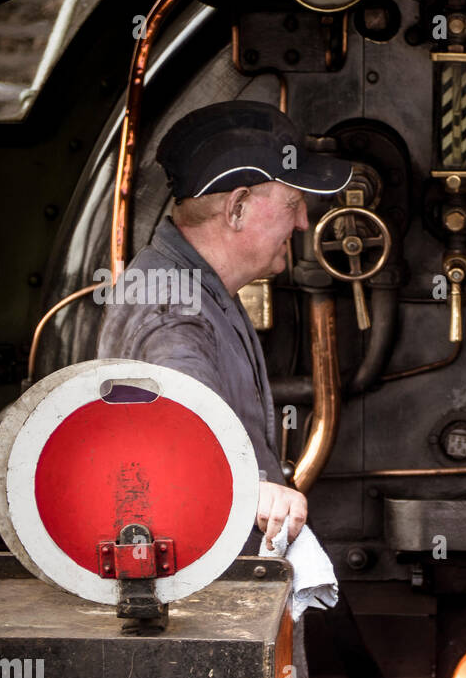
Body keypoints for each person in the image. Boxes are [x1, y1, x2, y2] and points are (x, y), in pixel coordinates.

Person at [97, 100, 352, 549]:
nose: (302, 222)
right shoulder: (172, 311)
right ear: (236, 209)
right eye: (293, 203)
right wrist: (253, 489)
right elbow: (179, 432)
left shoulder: (196, 285)